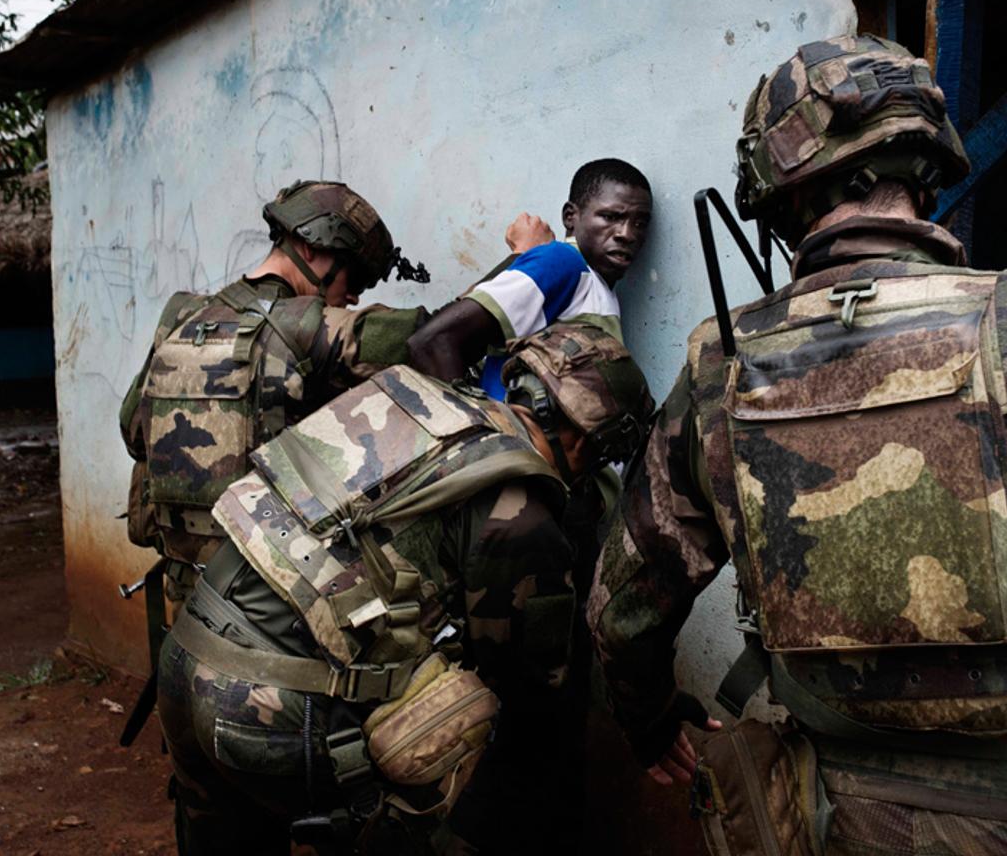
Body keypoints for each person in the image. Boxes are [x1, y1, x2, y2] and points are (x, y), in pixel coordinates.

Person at [588, 34, 1007, 855]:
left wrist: (650, 722)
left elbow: (620, 609)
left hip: (828, 810)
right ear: (922, 173)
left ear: (780, 195)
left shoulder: (724, 367)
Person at [156, 322, 655, 855]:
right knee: (459, 727)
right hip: (264, 707)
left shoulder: (412, 397)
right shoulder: (523, 508)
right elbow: (529, 685)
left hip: (184, 652)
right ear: (583, 441)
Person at [117, 180, 544, 742]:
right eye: (353, 279)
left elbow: (133, 428)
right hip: (270, 609)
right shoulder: (311, 327)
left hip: (184, 598)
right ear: (314, 250)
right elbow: (437, 336)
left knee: (205, 780)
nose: (351, 296)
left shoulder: (182, 316)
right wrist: (523, 262)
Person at [407, 157, 652, 400]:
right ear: (570, 216)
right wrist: (477, 434)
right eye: (610, 217)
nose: (626, 234)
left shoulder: (597, 285)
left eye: (640, 223)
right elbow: (433, 341)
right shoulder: (562, 262)